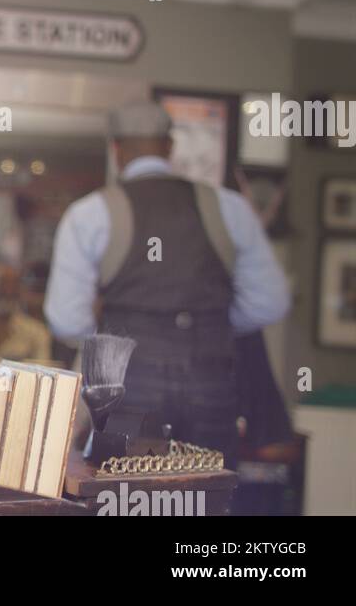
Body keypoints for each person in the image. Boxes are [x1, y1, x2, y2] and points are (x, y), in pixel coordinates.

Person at [44, 101, 290, 467]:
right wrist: (209, 325)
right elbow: (270, 301)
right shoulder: (228, 207)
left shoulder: (90, 213)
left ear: (116, 150)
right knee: (208, 493)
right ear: (169, 147)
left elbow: (65, 319)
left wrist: (114, 331)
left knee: (126, 494)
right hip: (212, 379)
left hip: (127, 382)